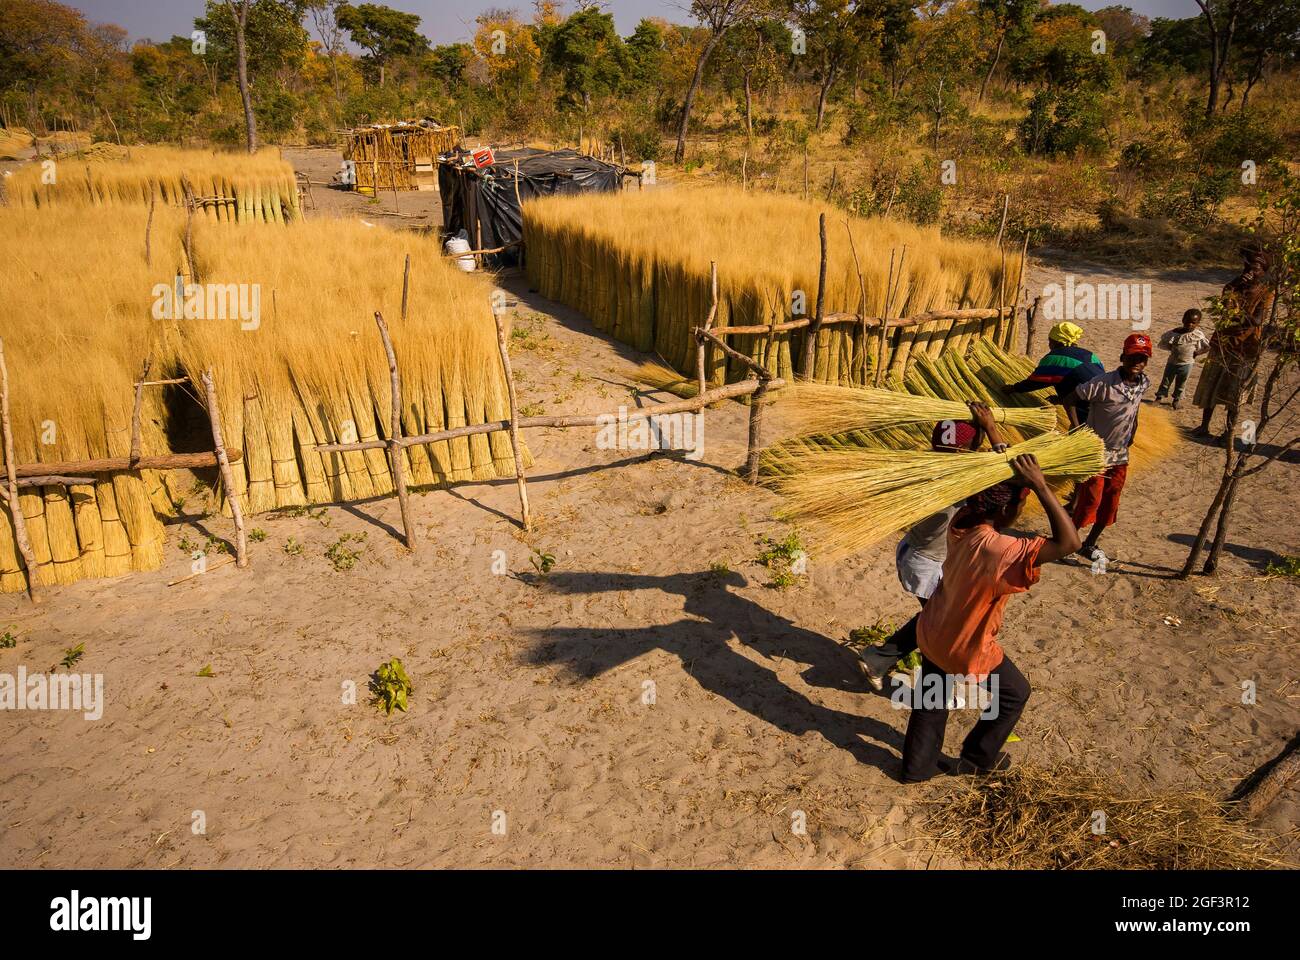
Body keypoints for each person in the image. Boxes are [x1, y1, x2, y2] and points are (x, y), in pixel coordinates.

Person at [898, 454, 1081, 783]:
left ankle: (916, 769)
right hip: (965, 644)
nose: (1021, 510)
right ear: (1002, 510)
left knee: (932, 698)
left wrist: (994, 434)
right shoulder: (1002, 551)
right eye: (1018, 504)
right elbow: (1070, 542)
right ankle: (977, 758)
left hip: (933, 627)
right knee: (1015, 693)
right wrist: (1039, 485)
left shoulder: (963, 525)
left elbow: (993, 487)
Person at [859, 403, 1010, 691]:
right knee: (943, 624)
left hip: (919, 554)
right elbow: (1008, 462)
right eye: (973, 444)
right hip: (925, 562)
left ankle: (880, 658)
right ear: (962, 451)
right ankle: (889, 662)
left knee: (937, 619)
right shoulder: (955, 480)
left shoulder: (933, 463)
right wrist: (990, 427)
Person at [1066, 333, 1151, 563]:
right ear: (1122, 357)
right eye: (1133, 357)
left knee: (1111, 501)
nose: (1137, 363)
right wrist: (1077, 430)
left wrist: (1134, 428)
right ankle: (1067, 544)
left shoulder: (1144, 383)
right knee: (1090, 500)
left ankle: (1089, 543)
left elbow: (1135, 409)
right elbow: (1070, 399)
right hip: (1097, 453)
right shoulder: (1103, 383)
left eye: (1142, 359)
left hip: (1121, 454)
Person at [1193, 243, 1275, 441]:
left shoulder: (1266, 292)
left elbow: (1257, 320)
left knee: (1234, 391)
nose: (1250, 271)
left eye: (1256, 268)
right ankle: (1204, 426)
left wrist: (1236, 313)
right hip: (1224, 341)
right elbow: (1222, 309)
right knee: (1211, 384)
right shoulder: (1232, 286)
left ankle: (1228, 433)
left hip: (1246, 346)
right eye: (1248, 267)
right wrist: (1237, 288)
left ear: (1263, 272)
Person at [1006, 322, 1104, 427]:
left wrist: (1013, 389)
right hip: (1106, 399)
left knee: (1082, 431)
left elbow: (1035, 382)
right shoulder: (1091, 355)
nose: (1049, 345)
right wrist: (1061, 399)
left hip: (1087, 407)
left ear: (1058, 343)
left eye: (1050, 342)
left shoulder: (1056, 358)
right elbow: (1081, 379)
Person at [1154, 309, 1210, 409]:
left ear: (1198, 323)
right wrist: (1173, 349)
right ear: (1183, 320)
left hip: (1186, 364)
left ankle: (1176, 401)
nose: (1190, 324)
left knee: (1181, 383)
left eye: (1193, 322)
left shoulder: (1197, 335)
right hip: (1172, 362)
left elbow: (1207, 347)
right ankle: (1159, 397)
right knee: (1166, 381)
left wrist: (1197, 353)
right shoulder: (1174, 333)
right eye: (1188, 321)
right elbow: (1167, 342)